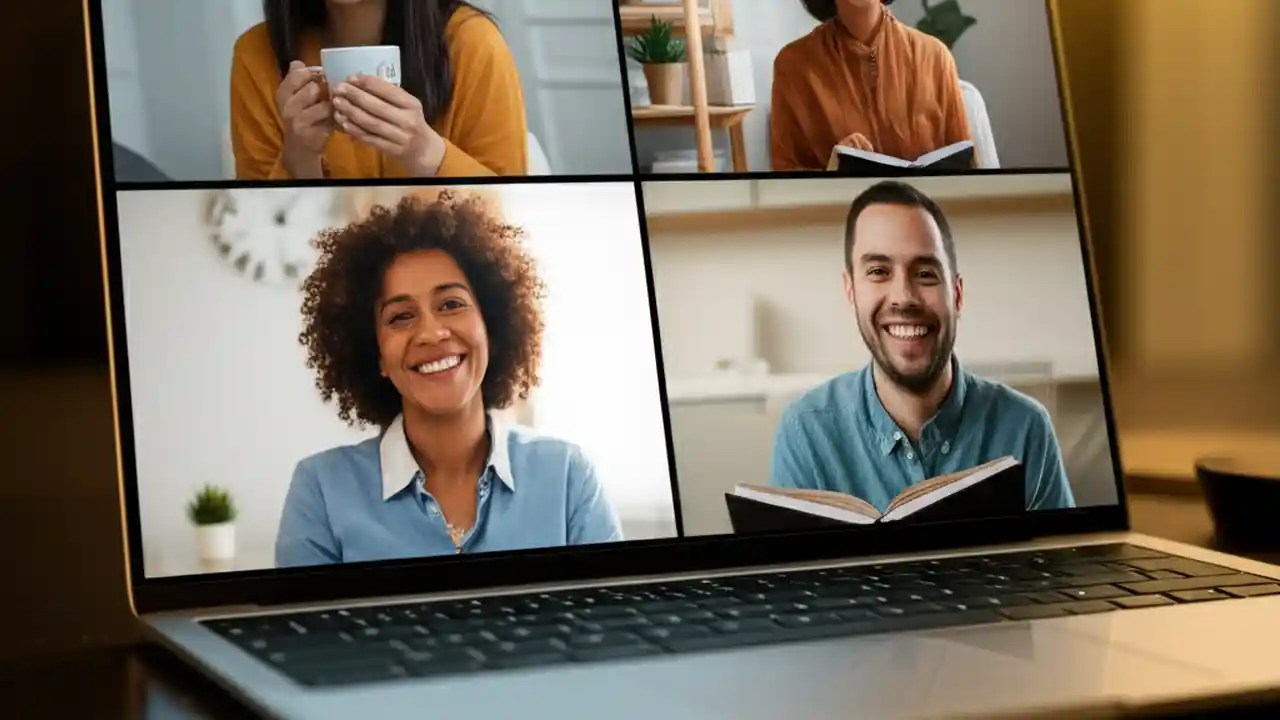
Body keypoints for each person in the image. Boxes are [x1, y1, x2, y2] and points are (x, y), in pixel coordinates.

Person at [276, 191, 622, 566]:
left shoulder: (568, 475)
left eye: (451, 304)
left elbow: (607, 616)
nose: (431, 333)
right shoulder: (321, 489)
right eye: (400, 317)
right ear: (376, 354)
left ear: (490, 325)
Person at [769, 180, 1076, 513]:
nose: (904, 297)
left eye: (926, 273)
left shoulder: (1026, 427)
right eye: (878, 271)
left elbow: (1060, 561)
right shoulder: (805, 431)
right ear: (851, 292)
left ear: (956, 296)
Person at [231, 0, 528, 180]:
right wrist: (298, 161)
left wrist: (428, 155)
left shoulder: (473, 44)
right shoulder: (257, 55)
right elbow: (259, 234)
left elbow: (513, 212)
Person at [770, 0, 972, 171]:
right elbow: (784, 177)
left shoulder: (935, 56)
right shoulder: (793, 66)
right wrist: (833, 170)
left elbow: (965, 165)